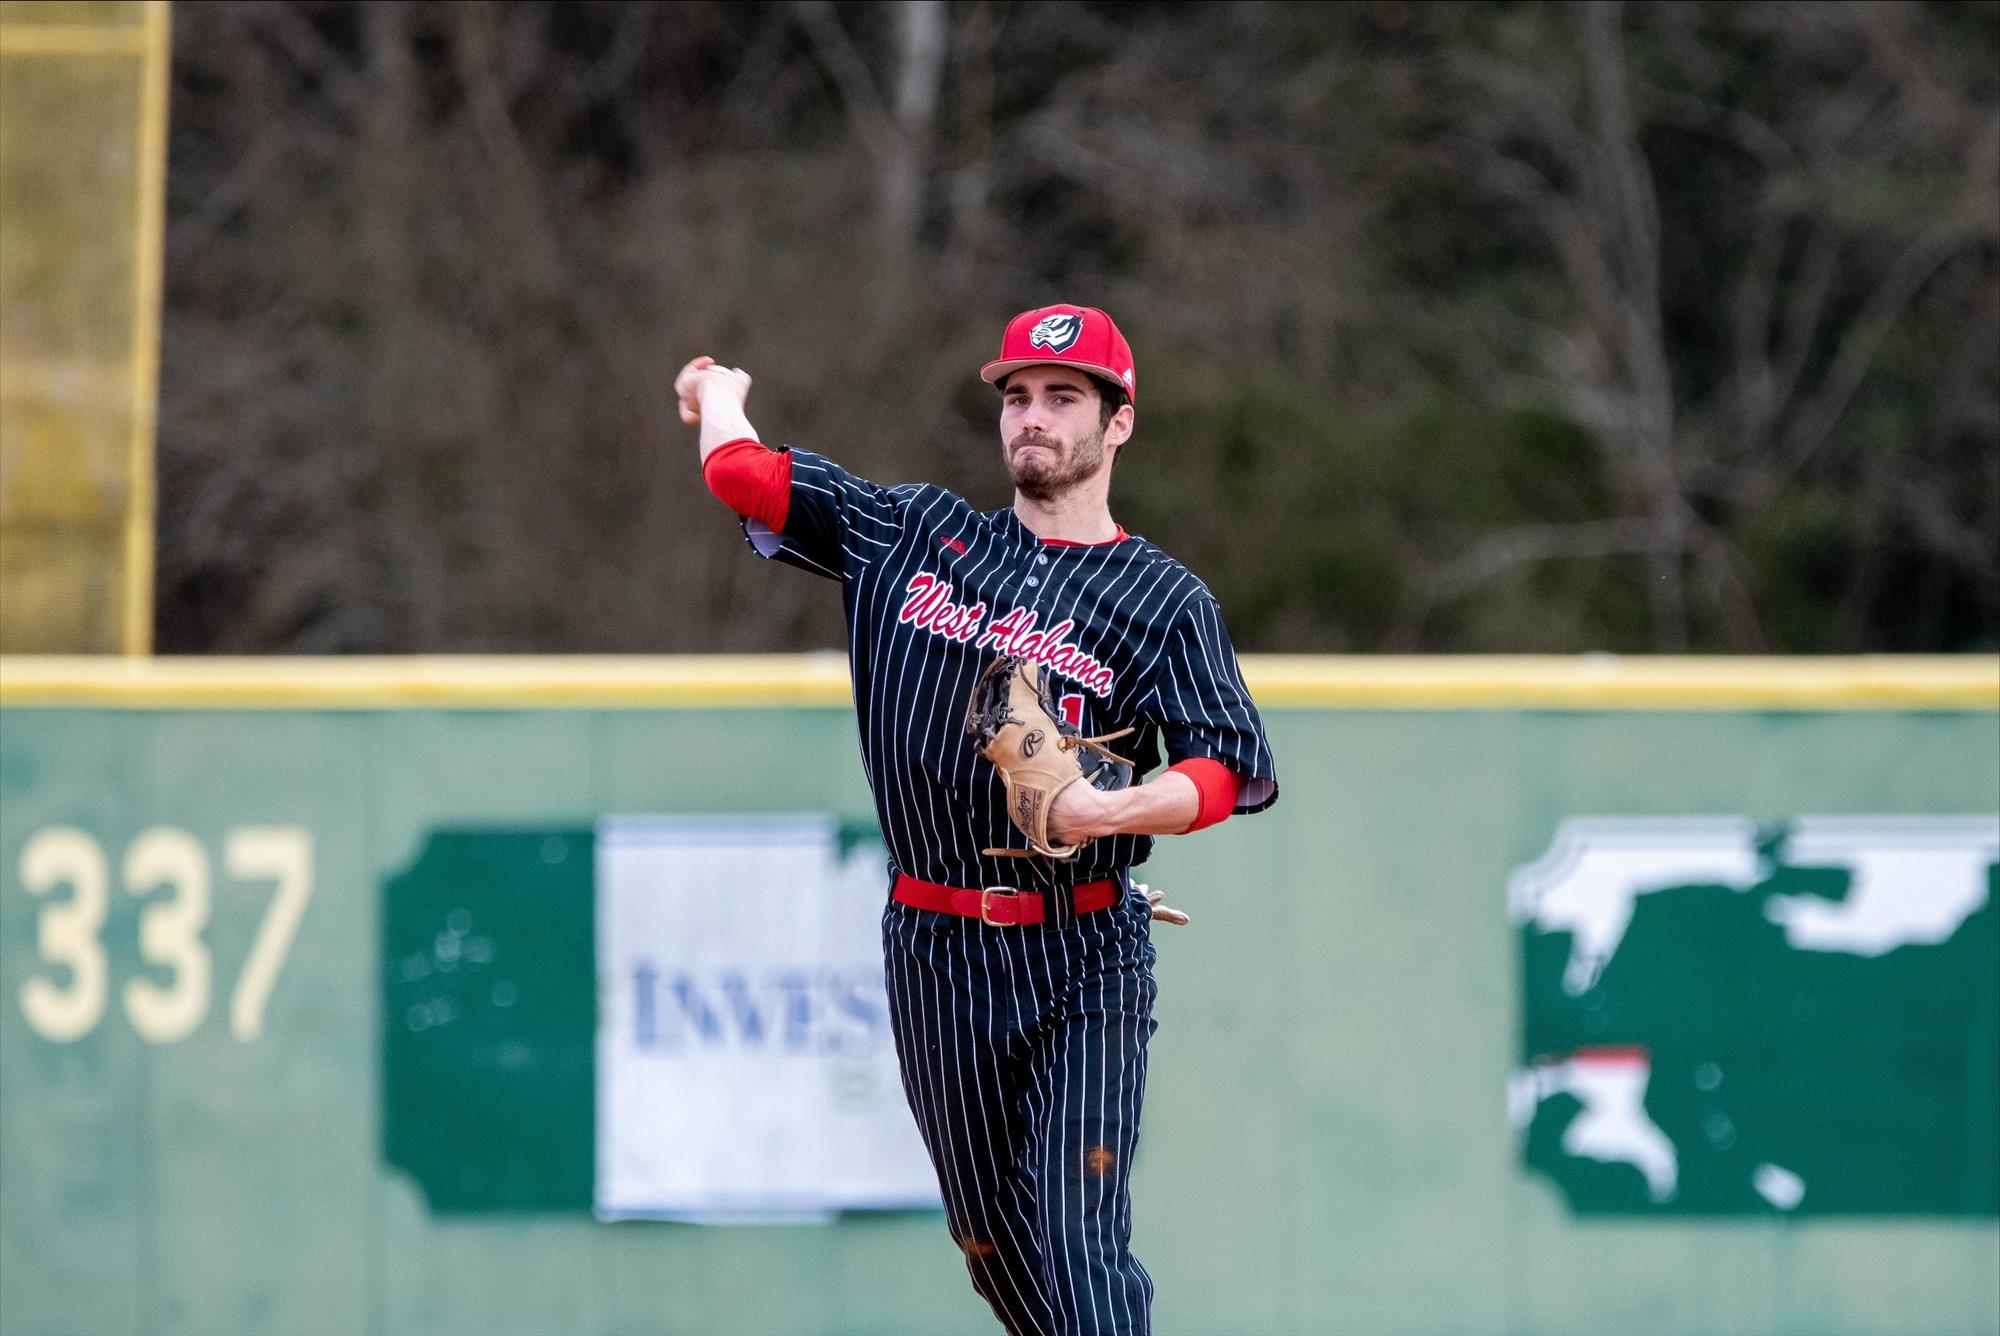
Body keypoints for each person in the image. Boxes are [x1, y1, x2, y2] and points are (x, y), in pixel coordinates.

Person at [678, 304, 1278, 1336]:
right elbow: (741, 477)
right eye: (1015, 398)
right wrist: (720, 395)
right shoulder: (909, 532)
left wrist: (1103, 808)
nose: (1031, 418)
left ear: (1117, 422)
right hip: (935, 946)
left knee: (1080, 1244)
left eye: (1061, 397)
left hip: (1083, 943)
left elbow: (1223, 770)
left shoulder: (1161, 599)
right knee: (998, 1255)